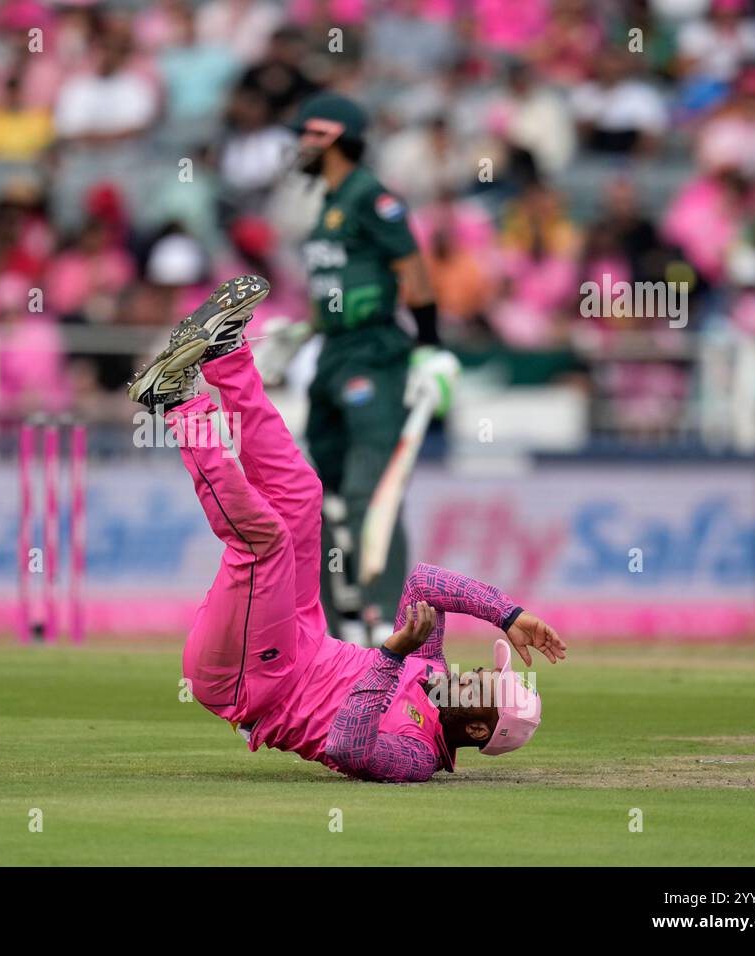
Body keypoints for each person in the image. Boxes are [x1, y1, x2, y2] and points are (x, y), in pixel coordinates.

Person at [126, 277, 566, 782]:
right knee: (302, 499)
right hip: (293, 633)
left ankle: (178, 406)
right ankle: (227, 358)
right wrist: (505, 612)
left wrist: (392, 654)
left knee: (265, 542)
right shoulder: (433, 672)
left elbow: (350, 748)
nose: (486, 673)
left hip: (249, 680)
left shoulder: (418, 756)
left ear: (475, 730)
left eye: (492, 686)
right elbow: (424, 583)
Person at [267, 92, 459, 645]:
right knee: (313, 497)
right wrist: (300, 331)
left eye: (305, 133)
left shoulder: (373, 198)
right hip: (331, 356)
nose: (298, 144)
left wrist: (429, 346)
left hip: (376, 355)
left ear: (329, 137)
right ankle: (333, 626)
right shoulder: (328, 204)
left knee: (368, 493)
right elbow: (334, 288)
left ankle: (389, 625)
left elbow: (413, 271)